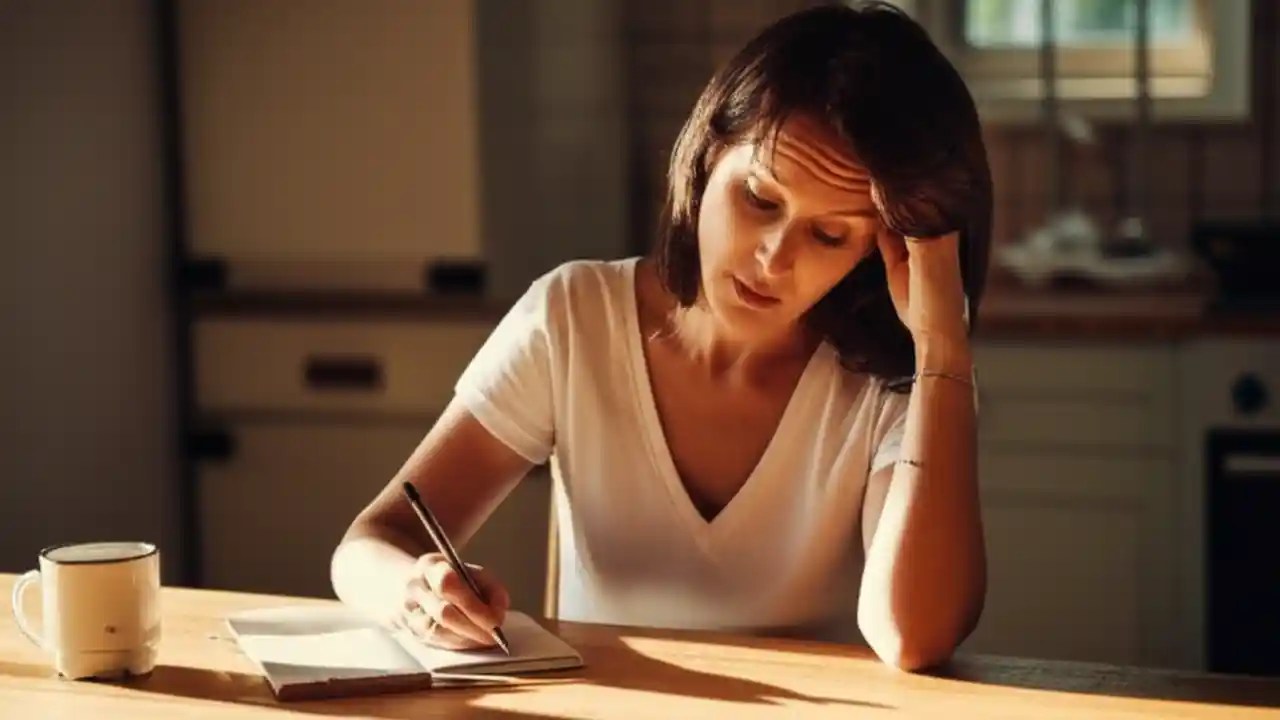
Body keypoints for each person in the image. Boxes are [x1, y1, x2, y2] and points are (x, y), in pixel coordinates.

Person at [332, 1, 992, 672]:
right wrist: (413, 591)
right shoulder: (574, 318)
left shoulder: (892, 382)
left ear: (878, 253)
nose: (772, 257)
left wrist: (943, 349)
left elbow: (913, 636)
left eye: (828, 234)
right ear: (707, 158)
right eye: (760, 200)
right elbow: (370, 543)